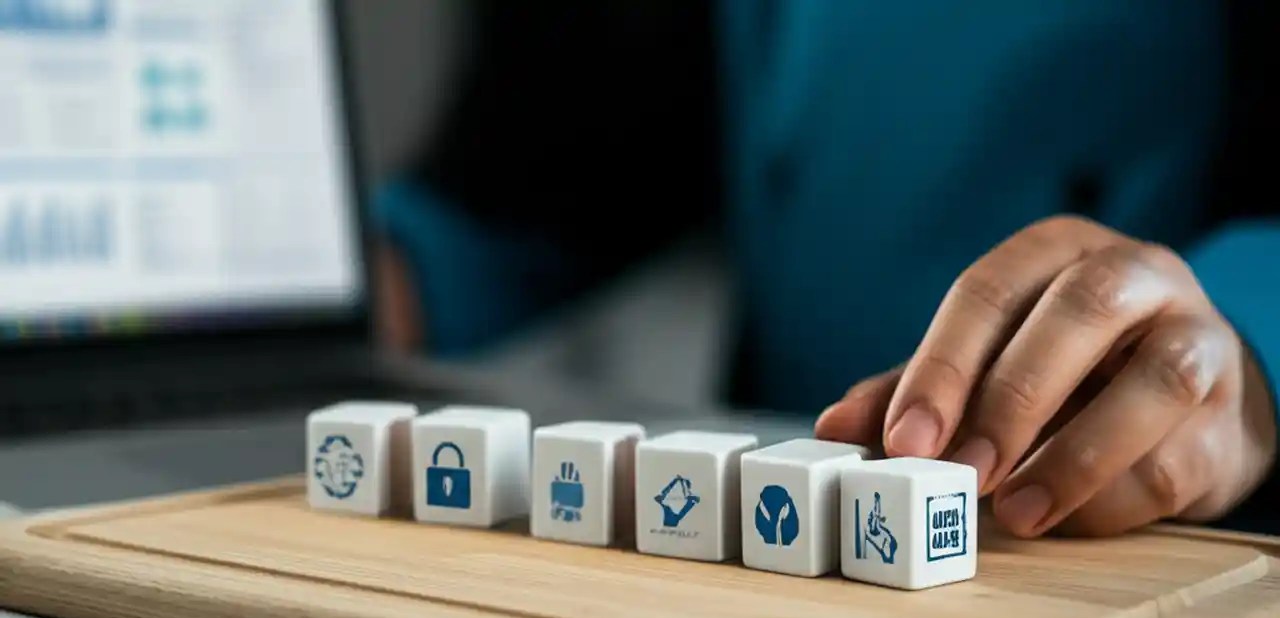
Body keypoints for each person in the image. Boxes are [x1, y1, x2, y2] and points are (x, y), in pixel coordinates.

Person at [371, 2, 1280, 538]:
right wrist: (319, 286)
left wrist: (1244, 345)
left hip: (1143, 528)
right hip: (773, 500)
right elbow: (558, 158)